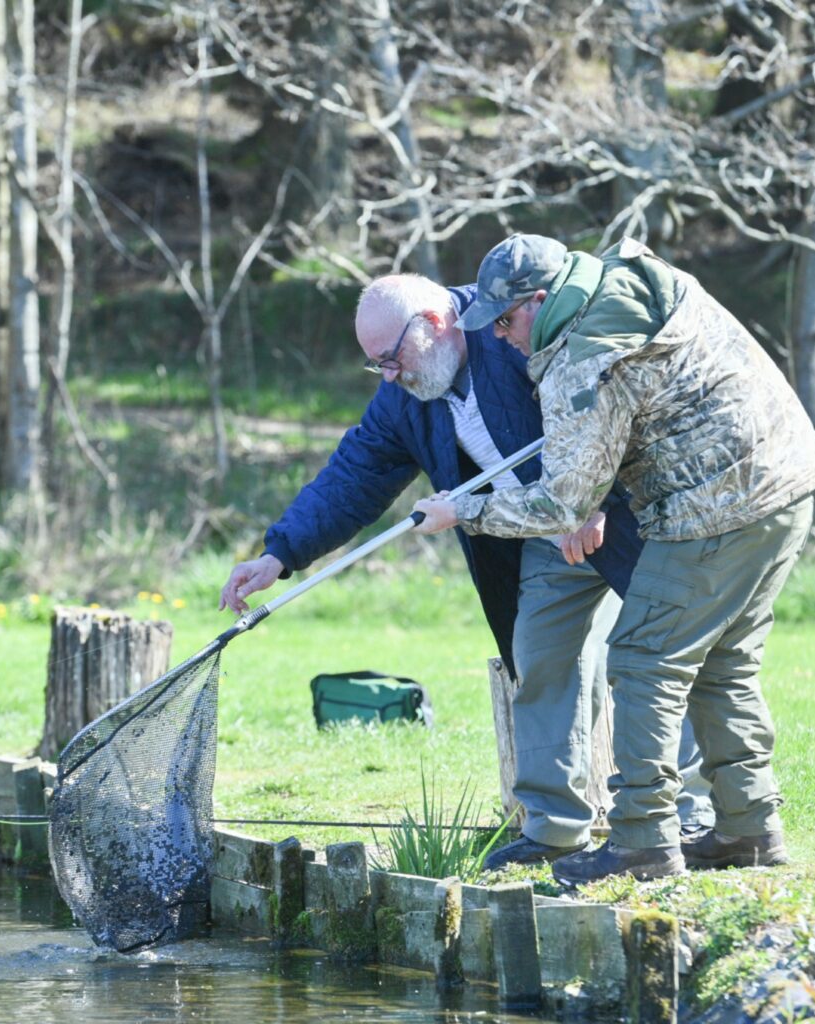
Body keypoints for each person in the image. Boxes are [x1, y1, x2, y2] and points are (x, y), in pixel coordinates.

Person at [219, 272, 714, 871]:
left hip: (623, 516)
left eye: (390, 359)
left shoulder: (516, 325)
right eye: (377, 365)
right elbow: (353, 477)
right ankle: (555, 828)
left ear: (432, 324)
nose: (388, 375)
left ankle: (693, 812)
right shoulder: (407, 395)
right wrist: (279, 555)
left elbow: (617, 403)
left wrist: (599, 502)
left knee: (654, 658)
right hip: (540, 535)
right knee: (538, 658)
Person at [413, 234, 815, 885]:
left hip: (716, 511)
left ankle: (642, 839)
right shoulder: (635, 280)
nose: (499, 336)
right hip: (786, 486)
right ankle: (749, 828)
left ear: (540, 300)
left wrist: (460, 511)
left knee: (641, 660)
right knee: (723, 664)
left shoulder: (584, 356)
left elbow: (561, 503)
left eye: (505, 320)